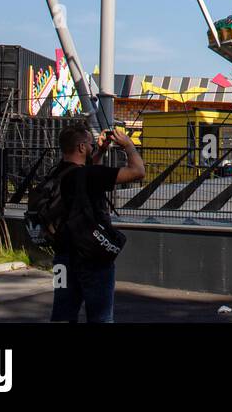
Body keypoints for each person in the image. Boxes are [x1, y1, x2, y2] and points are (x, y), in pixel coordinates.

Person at [50, 125, 145, 323]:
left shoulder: (57, 173)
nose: (93, 147)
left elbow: (85, 173)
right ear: (82, 147)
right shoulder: (90, 176)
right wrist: (128, 145)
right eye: (91, 145)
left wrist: (101, 151)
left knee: (62, 315)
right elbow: (138, 171)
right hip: (92, 256)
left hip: (63, 257)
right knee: (101, 318)